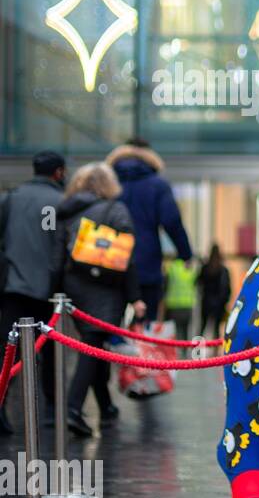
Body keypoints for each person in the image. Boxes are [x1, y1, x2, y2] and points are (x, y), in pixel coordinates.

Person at [51, 163, 145, 436]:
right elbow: (127, 258)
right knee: (93, 346)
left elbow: (58, 256)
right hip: (106, 288)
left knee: (94, 344)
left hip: (75, 287)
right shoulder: (115, 210)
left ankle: (105, 407)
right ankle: (72, 408)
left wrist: (56, 289)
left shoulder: (67, 211)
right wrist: (135, 297)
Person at [0, 150, 66, 432]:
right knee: (50, 352)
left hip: (14, 287)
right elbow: (57, 245)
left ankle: (1, 407)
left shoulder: (11, 199)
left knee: (8, 351)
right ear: (59, 173)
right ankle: (51, 409)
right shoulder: (59, 202)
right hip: (48, 291)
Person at [107, 138, 192, 322]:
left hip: (111, 258)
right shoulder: (157, 184)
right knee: (145, 322)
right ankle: (142, 350)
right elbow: (172, 221)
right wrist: (185, 253)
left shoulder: (108, 182)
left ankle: (111, 347)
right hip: (146, 260)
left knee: (110, 321)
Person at [197, 244, 232, 341]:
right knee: (216, 330)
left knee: (202, 327)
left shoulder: (205, 268)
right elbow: (227, 287)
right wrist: (225, 301)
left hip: (206, 301)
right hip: (219, 303)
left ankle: (197, 349)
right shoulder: (223, 270)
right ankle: (215, 352)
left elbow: (198, 282)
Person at [163, 254, 198, 341]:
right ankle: (184, 351)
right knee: (185, 332)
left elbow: (165, 286)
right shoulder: (190, 271)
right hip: (187, 306)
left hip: (173, 306)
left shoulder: (171, 269)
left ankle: (176, 351)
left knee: (174, 332)